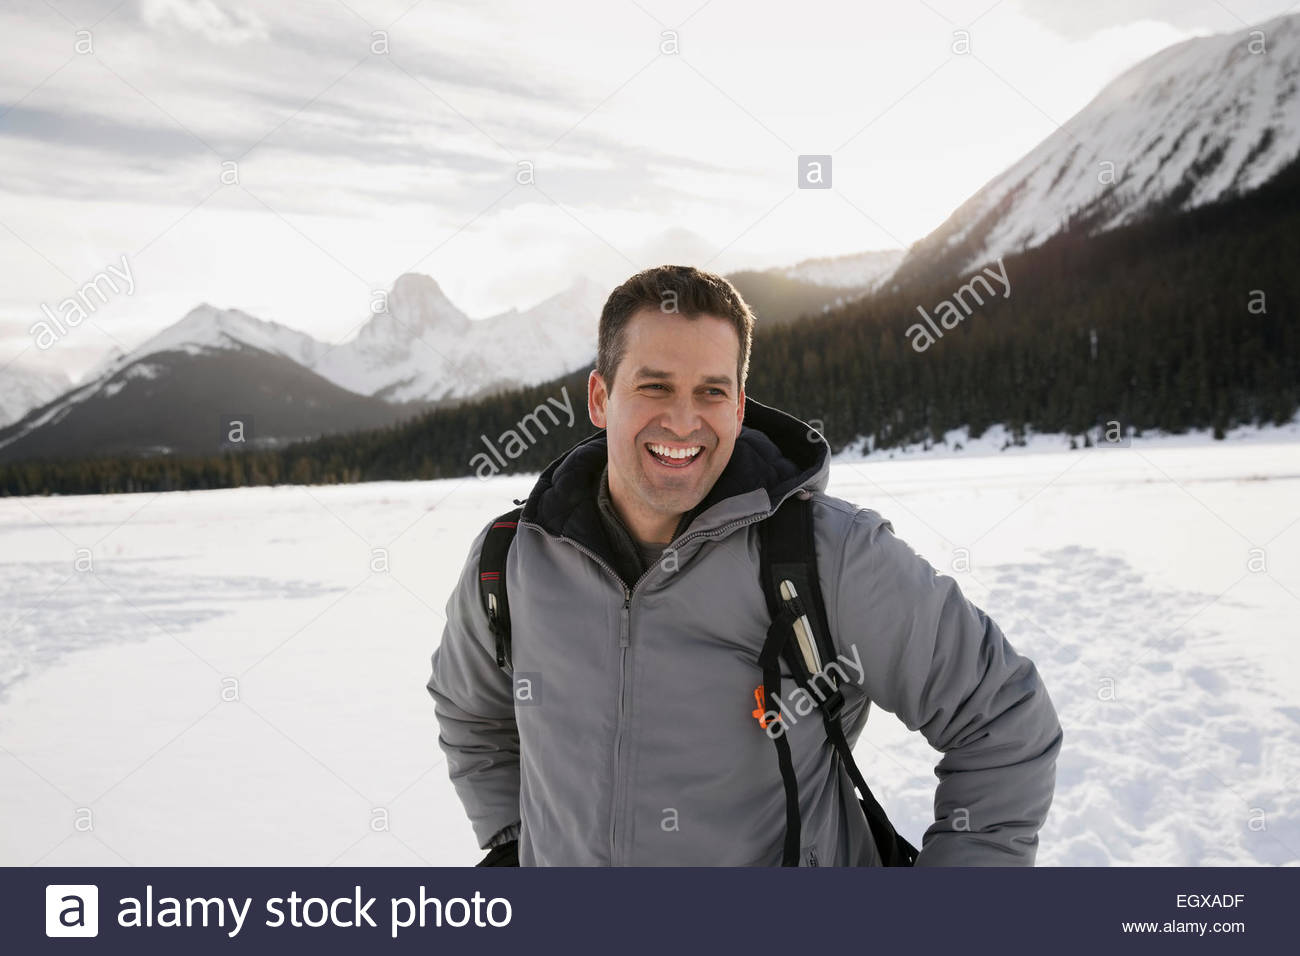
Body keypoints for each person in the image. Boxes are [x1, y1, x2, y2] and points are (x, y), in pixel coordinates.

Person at [425, 264, 1063, 866]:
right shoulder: (511, 560)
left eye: (711, 391)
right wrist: (517, 846)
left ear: (738, 406)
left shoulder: (826, 555)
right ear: (599, 397)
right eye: (654, 386)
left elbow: (1001, 716)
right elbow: (472, 712)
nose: (683, 419)